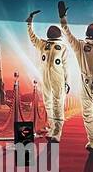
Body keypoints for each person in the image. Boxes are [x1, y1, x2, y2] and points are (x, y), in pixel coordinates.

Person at [58, 0, 93, 154]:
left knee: (88, 114)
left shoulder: (80, 45)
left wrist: (63, 19)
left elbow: (67, 34)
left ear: (87, 33)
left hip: (85, 84)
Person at [26, 9, 68, 140]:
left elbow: (66, 66)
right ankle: (51, 129)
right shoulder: (44, 45)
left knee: (57, 104)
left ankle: (57, 132)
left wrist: (66, 81)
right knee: (48, 103)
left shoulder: (62, 47)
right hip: (45, 78)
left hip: (58, 78)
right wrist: (29, 23)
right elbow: (33, 38)